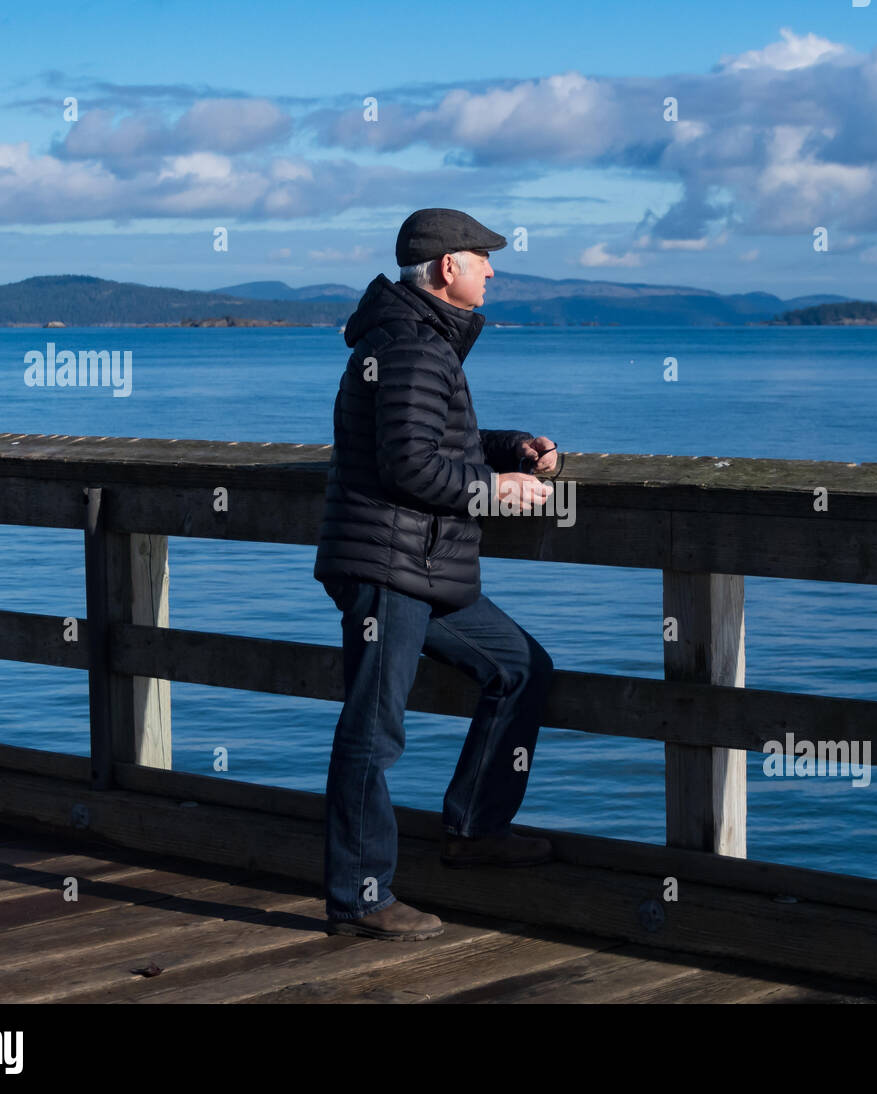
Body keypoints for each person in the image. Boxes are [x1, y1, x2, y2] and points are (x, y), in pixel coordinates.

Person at [312, 208, 560, 941]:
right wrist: (495, 488)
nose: (493, 269)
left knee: (519, 668)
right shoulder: (416, 347)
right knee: (374, 731)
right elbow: (409, 464)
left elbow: (433, 437)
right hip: (391, 567)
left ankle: (475, 831)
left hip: (421, 564)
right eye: (483, 257)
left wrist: (508, 446)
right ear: (447, 267)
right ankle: (360, 898)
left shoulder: (414, 341)